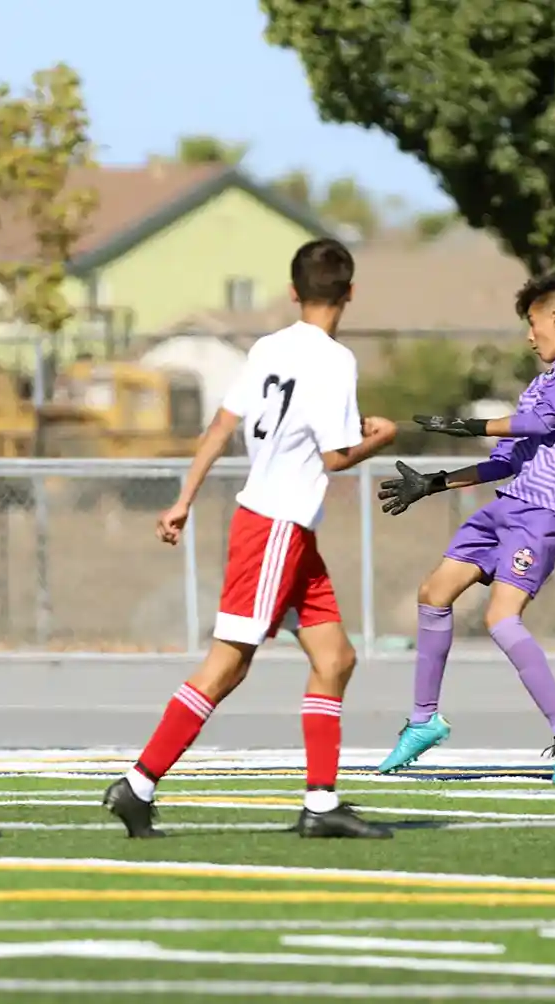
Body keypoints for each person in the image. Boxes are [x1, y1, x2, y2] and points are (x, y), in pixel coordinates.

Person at [103, 239, 399, 840]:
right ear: (350, 293)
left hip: (287, 532)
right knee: (228, 664)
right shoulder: (336, 360)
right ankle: (137, 784)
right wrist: (381, 439)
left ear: (293, 292)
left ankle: (321, 804)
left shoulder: (268, 346)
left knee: (335, 659)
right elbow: (338, 456)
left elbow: (222, 424)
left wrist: (185, 497)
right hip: (274, 527)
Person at [374, 272, 555, 784]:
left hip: (546, 510)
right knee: (434, 591)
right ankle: (422, 720)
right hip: (508, 505)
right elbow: (505, 460)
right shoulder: (539, 382)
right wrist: (435, 483)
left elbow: (543, 423)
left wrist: (471, 425)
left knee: (502, 619)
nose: (530, 337)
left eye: (532, 324)